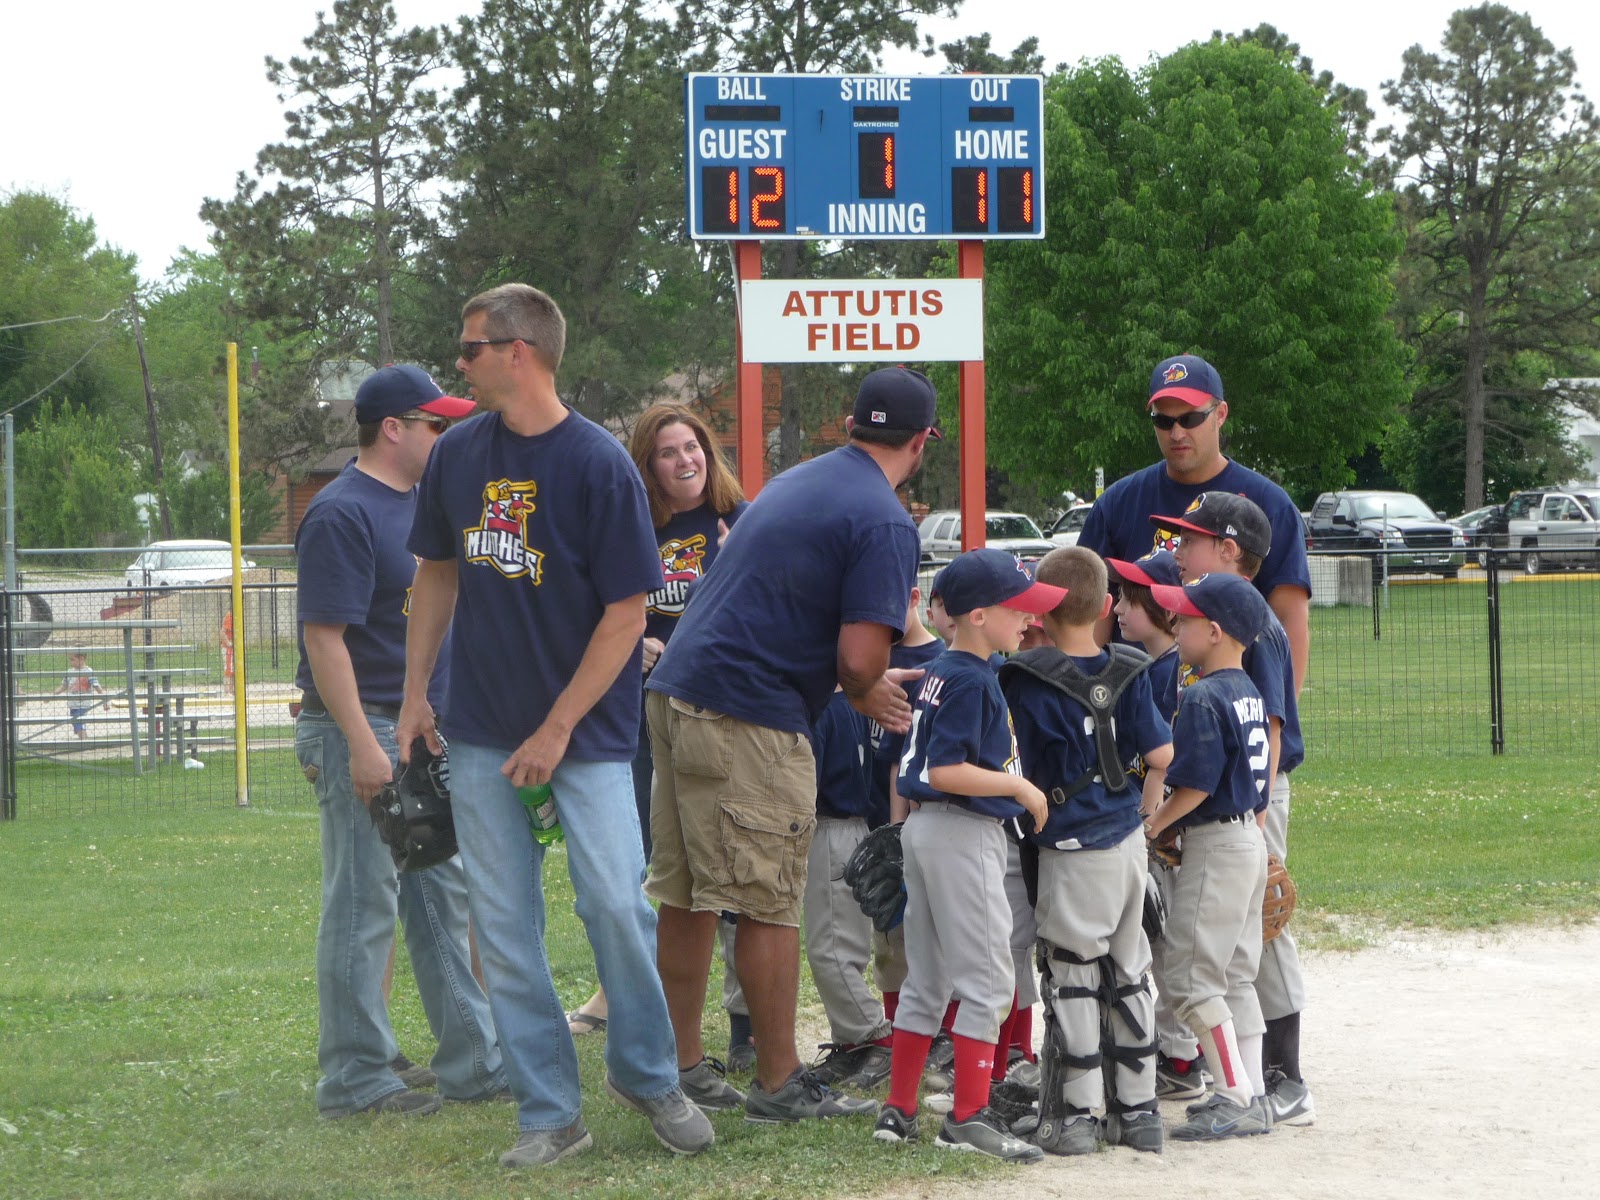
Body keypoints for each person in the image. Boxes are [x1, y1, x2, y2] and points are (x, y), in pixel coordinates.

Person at [399, 284, 713, 1167]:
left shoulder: (598, 463)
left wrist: (558, 728)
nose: (459, 364)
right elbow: (435, 577)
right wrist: (416, 694)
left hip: (588, 735)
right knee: (501, 926)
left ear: (519, 351)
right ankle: (548, 1112)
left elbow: (626, 614)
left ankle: (648, 1074)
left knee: (615, 902)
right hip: (483, 725)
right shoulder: (459, 455)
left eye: (470, 350)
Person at [645, 366, 933, 1124]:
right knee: (768, 898)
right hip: (749, 710)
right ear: (923, 441)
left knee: (686, 893)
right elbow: (860, 659)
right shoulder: (882, 517)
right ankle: (777, 1080)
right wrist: (868, 689)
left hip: (677, 691)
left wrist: (853, 677)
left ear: (850, 425)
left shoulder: (799, 481)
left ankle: (677, 1063)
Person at [292, 363, 505, 1121]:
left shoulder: (420, 506)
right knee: (362, 904)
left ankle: (474, 1064)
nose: (443, 436)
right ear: (393, 429)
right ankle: (355, 1080)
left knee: (440, 898)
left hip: (415, 726)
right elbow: (325, 640)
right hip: (360, 723)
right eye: (433, 424)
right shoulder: (342, 512)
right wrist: (361, 742)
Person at [564, 404, 749, 1058]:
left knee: (724, 858)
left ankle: (743, 1018)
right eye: (669, 452)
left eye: (693, 447)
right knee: (644, 857)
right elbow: (590, 602)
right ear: (648, 464)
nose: (685, 461)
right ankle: (618, 993)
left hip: (715, 709)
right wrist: (633, 638)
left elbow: (762, 606)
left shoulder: (736, 519)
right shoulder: (630, 522)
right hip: (638, 711)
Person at [871, 548, 1057, 1162]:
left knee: (927, 976)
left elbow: (912, 768)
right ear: (977, 616)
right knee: (988, 978)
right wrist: (1019, 787)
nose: (1028, 621)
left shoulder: (943, 672)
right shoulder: (973, 679)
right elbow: (948, 769)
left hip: (928, 831)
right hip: (962, 833)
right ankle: (970, 1116)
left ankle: (898, 1110)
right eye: (1017, 609)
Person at [998, 547, 1173, 1156]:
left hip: (1071, 849)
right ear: (1106, 606)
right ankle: (1141, 1110)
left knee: (1073, 977)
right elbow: (1161, 757)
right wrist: (1143, 819)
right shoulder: (1130, 668)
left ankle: (1079, 1114)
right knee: (1130, 975)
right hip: (1128, 845)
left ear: (1038, 611)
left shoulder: (1023, 679)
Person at [1156, 491, 1313, 1126]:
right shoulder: (1231, 645)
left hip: (1242, 806)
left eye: (1189, 542)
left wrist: (1245, 820)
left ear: (1227, 549)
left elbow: (1270, 733)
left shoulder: (1256, 636)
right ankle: (1251, 1084)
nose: (1179, 552)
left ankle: (1274, 1080)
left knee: (1227, 959)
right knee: (1238, 961)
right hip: (1238, 813)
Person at [1076, 354, 1310, 693]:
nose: (1177, 432)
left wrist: (1280, 721)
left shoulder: (1268, 504)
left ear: (1220, 415)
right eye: (1163, 421)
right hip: (1139, 708)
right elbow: (1093, 613)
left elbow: (1290, 620)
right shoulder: (1119, 501)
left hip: (1231, 709)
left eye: (1190, 418)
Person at [1143, 573, 1274, 1141]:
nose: (1176, 627)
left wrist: (1154, 825)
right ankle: (1255, 1092)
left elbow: (1193, 787)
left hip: (1217, 844)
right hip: (1248, 838)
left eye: (1185, 619)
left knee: (1194, 978)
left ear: (1214, 630)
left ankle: (1234, 1094)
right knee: (1236, 977)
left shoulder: (1201, 694)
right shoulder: (1248, 691)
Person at [1105, 550, 1201, 1097]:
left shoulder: (1176, 672)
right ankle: (1165, 1049)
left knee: (1163, 940)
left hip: (1165, 830)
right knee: (1147, 936)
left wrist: (1152, 819)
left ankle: (1181, 1058)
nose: (1117, 606)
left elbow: (1171, 759)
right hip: (1144, 826)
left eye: (1129, 597)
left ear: (1162, 605)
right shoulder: (1139, 665)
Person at [804, 686, 894, 1090]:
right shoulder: (854, 703)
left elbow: (807, 782)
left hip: (830, 831)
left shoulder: (823, 708)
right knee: (848, 948)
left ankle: (875, 1035)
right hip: (854, 829)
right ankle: (851, 1042)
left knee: (830, 950)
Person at [55, 652, 104, 738]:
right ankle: (85, 739)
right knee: (77, 724)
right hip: (72, 704)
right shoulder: (70, 672)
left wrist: (105, 701)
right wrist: (53, 695)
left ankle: (82, 741)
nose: (70, 662)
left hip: (83, 704)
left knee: (79, 723)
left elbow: (97, 686)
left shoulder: (88, 672)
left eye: (72, 660)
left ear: (81, 659)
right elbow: (64, 686)